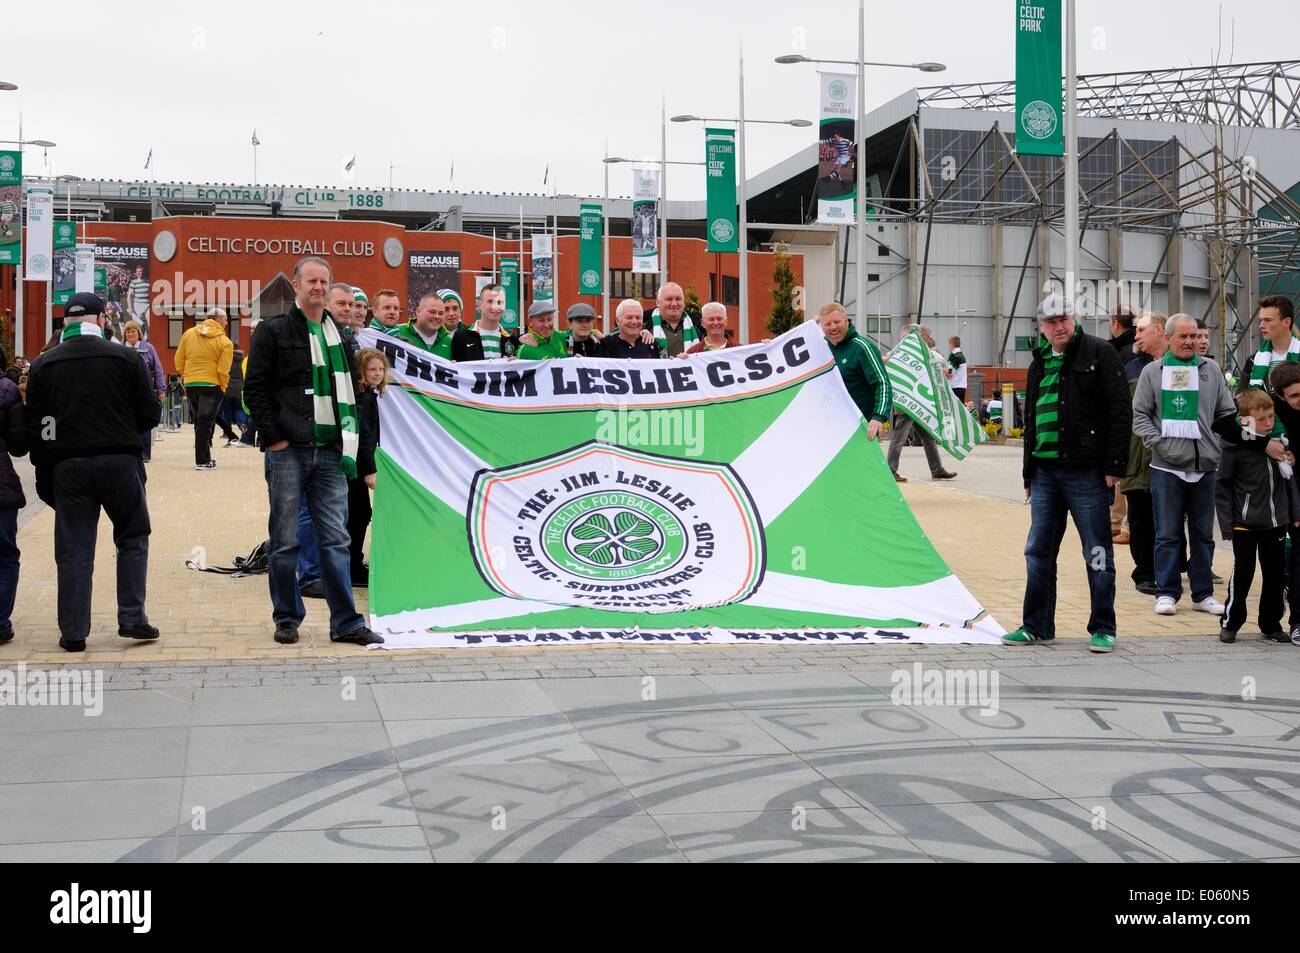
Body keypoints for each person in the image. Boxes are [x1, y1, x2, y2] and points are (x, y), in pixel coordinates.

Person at [242, 256, 382, 647]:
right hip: (289, 451)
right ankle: (287, 617)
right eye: (311, 281)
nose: (318, 287)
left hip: (331, 452)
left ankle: (346, 623)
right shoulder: (273, 331)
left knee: (336, 539)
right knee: (285, 540)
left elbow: (354, 394)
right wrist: (275, 439)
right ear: (296, 285)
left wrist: (355, 449)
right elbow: (254, 391)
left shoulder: (342, 336)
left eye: (324, 281)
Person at [24, 293, 162, 652]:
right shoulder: (126, 358)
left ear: (65, 322)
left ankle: (73, 632)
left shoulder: (44, 364)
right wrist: (121, 424)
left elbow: (42, 426)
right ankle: (132, 617)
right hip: (119, 461)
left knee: (73, 549)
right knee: (132, 536)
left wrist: (45, 472)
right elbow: (149, 415)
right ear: (101, 319)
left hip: (68, 467)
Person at [1003, 294, 1130, 654]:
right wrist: (1028, 472)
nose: (1059, 327)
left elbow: (1121, 411)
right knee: (1038, 551)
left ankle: (1103, 627)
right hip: (1045, 474)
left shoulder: (1098, 352)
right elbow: (1031, 420)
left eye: (1064, 319)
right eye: (1051, 322)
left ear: (1074, 320)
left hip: (1086, 472)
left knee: (1098, 552)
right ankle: (1037, 626)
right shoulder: (1038, 361)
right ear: (1041, 327)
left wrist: (1113, 466)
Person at [1132, 314, 1234, 618]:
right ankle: (1166, 592)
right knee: (1167, 534)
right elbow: (1139, 416)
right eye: (1183, 336)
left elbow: (1226, 413)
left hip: (1205, 467)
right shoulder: (1153, 372)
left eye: (1194, 336)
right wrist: (1161, 444)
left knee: (1204, 534)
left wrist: (1213, 444)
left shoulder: (1211, 370)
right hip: (1167, 468)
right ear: (1169, 338)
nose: (1190, 341)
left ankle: (1202, 594)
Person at [1215, 388, 1299, 643]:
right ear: (1244, 421)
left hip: (1275, 523)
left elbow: (1289, 482)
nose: (1268, 424)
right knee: (1243, 573)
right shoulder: (1235, 448)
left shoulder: (1280, 442)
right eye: (1260, 419)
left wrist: (1293, 513)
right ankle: (1231, 621)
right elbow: (1223, 486)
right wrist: (1227, 524)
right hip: (1245, 523)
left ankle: (1271, 624)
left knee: (1275, 575)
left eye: (1271, 417)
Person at [1118, 313, 1168, 595]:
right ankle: (1145, 573)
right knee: (1140, 517)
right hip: (1138, 457)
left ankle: (1171, 571)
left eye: (1141, 330)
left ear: (1160, 330)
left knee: (1170, 519)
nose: (1135, 336)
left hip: (1173, 456)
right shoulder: (1130, 368)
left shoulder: (1181, 367)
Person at [887, 324, 957, 483]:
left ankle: (937, 469)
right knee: (899, 437)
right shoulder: (905, 353)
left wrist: (940, 372)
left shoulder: (904, 352)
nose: (926, 339)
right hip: (908, 402)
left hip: (915, 401)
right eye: (923, 335)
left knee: (927, 437)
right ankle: (890, 470)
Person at [819, 301, 890, 440]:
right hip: (833, 427)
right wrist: (770, 350)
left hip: (863, 429)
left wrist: (878, 417)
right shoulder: (821, 346)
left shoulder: (862, 348)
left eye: (836, 322)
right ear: (822, 327)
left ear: (846, 321)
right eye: (827, 324)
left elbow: (882, 384)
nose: (833, 327)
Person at [174, 307, 234, 470]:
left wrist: (186, 375)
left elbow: (179, 358)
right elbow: (223, 370)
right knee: (205, 424)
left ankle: (203, 458)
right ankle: (202, 461)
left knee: (200, 423)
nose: (227, 323)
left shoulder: (189, 334)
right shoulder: (225, 342)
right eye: (226, 320)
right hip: (211, 385)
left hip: (191, 384)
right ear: (218, 320)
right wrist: (222, 386)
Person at [348, 348, 388, 587]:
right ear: (361, 371)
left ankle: (354, 563)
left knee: (359, 514)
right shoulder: (361, 397)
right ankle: (352, 567)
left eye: (381, 369)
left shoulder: (369, 394)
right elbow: (363, 436)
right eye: (372, 369)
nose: (377, 373)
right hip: (355, 467)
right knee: (358, 514)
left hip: (359, 465)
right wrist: (369, 470)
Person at [0, 362, 28, 645]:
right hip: (1, 485)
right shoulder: (6, 389)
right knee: (5, 555)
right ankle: (0, 622)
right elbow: (19, 445)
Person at [122, 321, 166, 462]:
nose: (130, 334)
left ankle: (145, 453)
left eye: (133, 331)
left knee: (144, 421)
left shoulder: (148, 348)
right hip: (125, 392)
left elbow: (158, 371)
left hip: (145, 391)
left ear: (139, 333)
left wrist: (161, 390)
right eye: (127, 332)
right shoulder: (120, 349)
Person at [1239, 295, 1297, 392]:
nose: (1261, 326)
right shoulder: (1253, 360)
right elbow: (1242, 400)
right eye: (1260, 320)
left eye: (1268, 320)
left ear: (1286, 322)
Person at [452, 285, 518, 360]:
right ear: (479, 305)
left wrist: (515, 364)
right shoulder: (461, 336)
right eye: (490, 301)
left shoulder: (512, 339)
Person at [647, 283, 700, 357]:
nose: (674, 303)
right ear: (658, 302)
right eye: (669, 299)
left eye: (678, 299)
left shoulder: (699, 327)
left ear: (683, 302)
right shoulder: (645, 327)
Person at [394, 292, 452, 358]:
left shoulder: (450, 343)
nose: (437, 316)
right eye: (432, 312)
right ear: (418, 312)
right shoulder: (397, 333)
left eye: (441, 313)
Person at [216, 345, 247, 446]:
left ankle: (227, 432)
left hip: (228, 389)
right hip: (240, 388)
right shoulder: (243, 360)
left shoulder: (227, 360)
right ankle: (241, 424)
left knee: (226, 412)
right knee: (239, 409)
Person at [127, 265, 151, 339]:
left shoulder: (148, 282)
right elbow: (129, 296)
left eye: (141, 271)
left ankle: (145, 340)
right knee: (139, 326)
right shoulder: (133, 282)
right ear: (136, 273)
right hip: (137, 305)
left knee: (150, 324)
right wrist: (130, 307)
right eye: (138, 271)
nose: (140, 273)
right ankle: (138, 340)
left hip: (147, 305)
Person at [947, 336, 968, 403]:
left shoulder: (956, 356)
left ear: (952, 344)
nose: (948, 346)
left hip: (956, 387)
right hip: (959, 386)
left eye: (948, 344)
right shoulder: (959, 355)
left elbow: (949, 372)